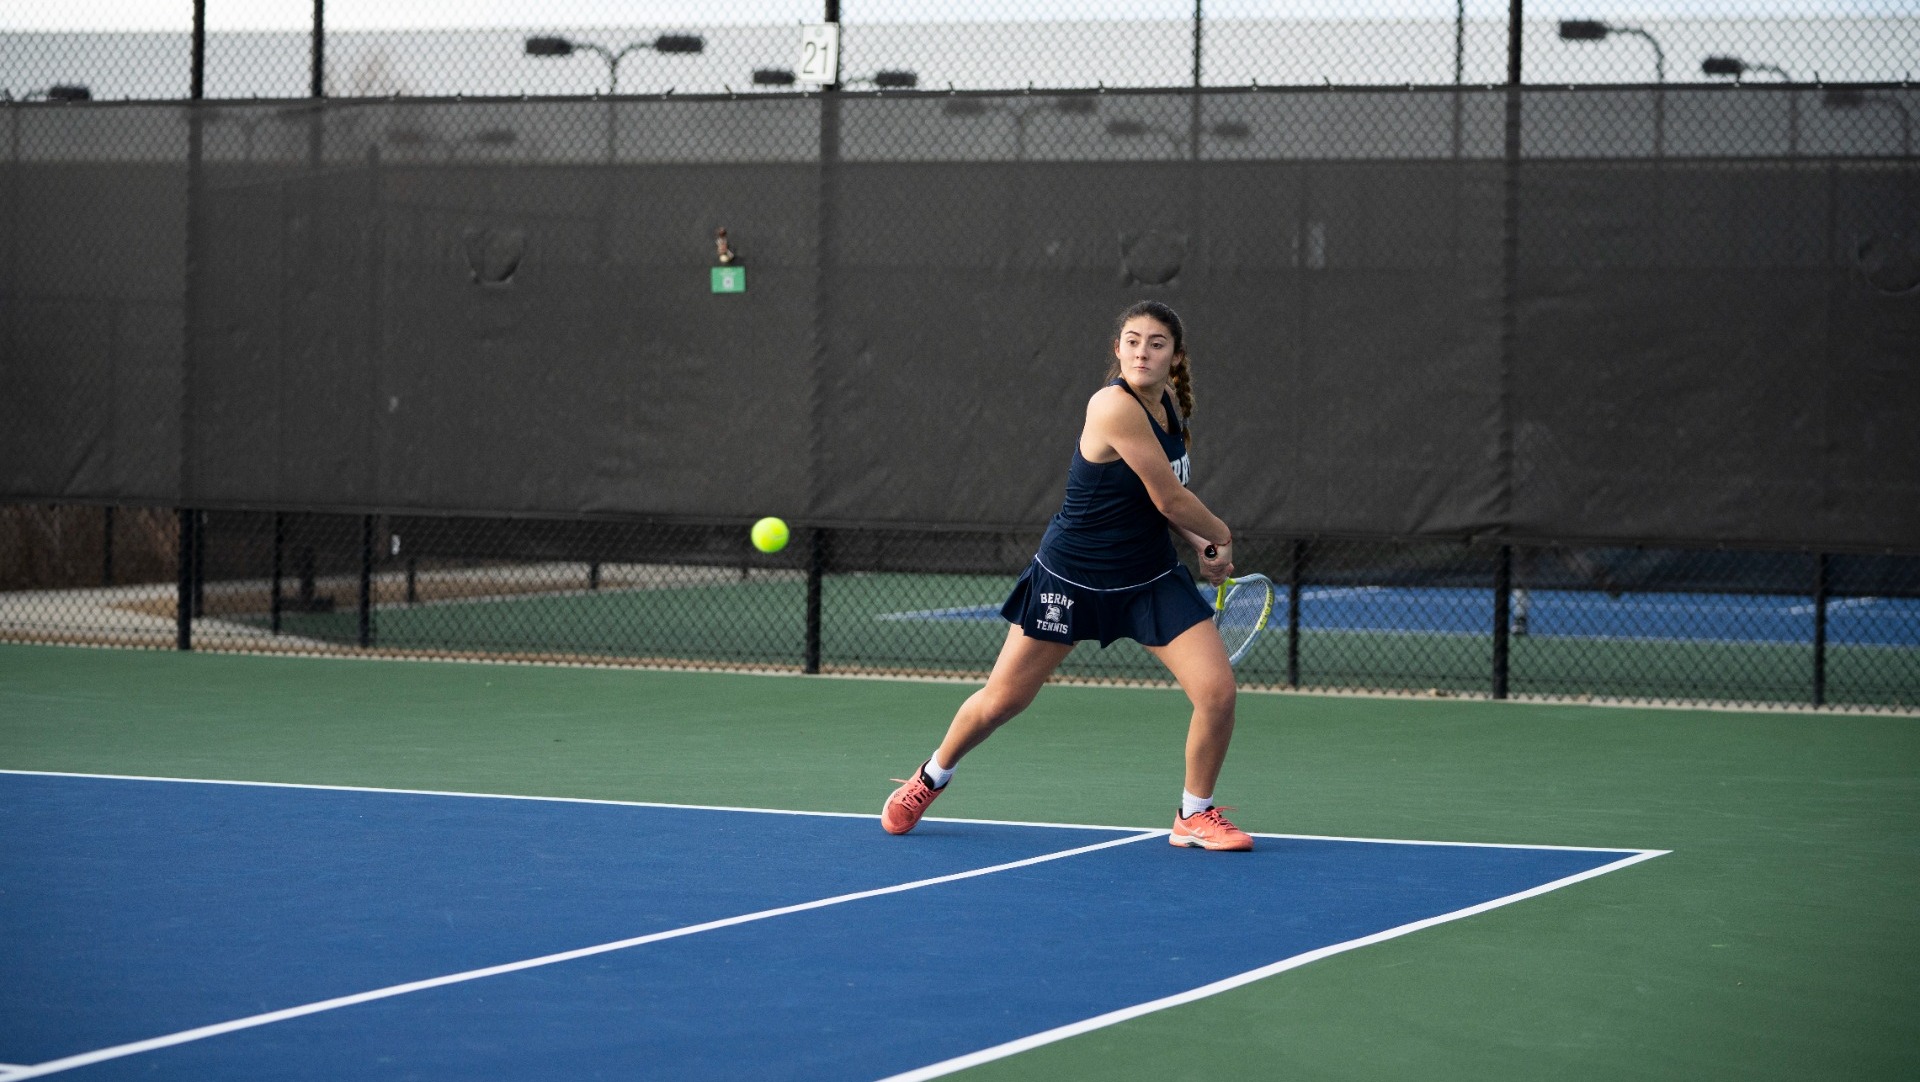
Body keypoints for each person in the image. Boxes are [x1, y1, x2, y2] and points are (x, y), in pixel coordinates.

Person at [881, 300, 1252, 851]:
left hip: (1148, 577)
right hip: (1072, 577)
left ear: (1176, 356)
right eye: (1132, 340)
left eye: (1156, 342)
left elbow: (1157, 505)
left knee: (1218, 692)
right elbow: (1170, 495)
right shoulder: (1112, 407)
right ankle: (931, 776)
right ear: (1117, 349)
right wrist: (1221, 533)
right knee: (1003, 699)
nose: (1142, 351)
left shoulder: (1171, 409)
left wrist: (1200, 544)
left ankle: (1193, 814)